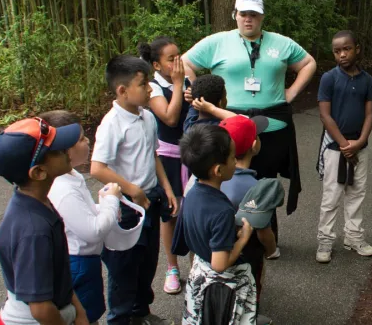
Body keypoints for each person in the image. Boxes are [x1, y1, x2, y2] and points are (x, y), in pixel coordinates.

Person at [181, 0, 317, 225]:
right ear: (235, 15)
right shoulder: (218, 42)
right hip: (230, 124)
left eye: (254, 14)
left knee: (265, 182)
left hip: (273, 126)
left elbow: (308, 63)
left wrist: (291, 93)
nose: (248, 19)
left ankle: (266, 235)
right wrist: (195, 90)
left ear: (262, 17)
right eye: (244, 14)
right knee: (228, 179)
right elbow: (185, 62)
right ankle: (230, 233)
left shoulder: (281, 43)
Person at [90, 55, 176, 325]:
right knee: (123, 268)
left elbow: (154, 155)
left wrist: (167, 187)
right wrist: (132, 190)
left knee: (147, 263)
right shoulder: (112, 124)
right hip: (127, 206)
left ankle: (141, 314)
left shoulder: (148, 117)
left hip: (151, 199)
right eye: (143, 84)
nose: (150, 89)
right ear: (122, 90)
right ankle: (120, 319)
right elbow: (97, 168)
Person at [0, 117, 88, 325]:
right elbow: (41, 309)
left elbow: (57, 274)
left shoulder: (37, 203)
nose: (67, 150)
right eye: (59, 150)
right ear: (39, 172)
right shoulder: (34, 231)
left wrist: (79, 311)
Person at [43, 110, 123, 324]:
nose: (87, 140)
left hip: (85, 259)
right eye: (80, 139)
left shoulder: (71, 175)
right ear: (64, 151)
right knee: (85, 316)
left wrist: (101, 207)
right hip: (78, 263)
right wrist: (110, 202)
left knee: (90, 313)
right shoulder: (63, 189)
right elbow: (92, 232)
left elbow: (81, 213)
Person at [179, 124, 256, 324]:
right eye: (232, 157)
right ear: (218, 170)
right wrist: (244, 237)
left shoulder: (191, 193)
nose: (235, 161)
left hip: (199, 275)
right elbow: (219, 264)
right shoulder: (222, 211)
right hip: (221, 289)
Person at [315, 30, 372, 263]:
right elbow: (325, 115)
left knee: (357, 193)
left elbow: (369, 113)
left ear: (356, 49)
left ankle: (353, 236)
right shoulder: (329, 78)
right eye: (337, 51)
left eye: (347, 49)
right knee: (332, 195)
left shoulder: (367, 80)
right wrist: (344, 145)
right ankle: (325, 241)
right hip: (334, 147)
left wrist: (359, 142)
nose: (342, 54)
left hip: (360, 145)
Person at [140, 36, 193, 295]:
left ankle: (198, 264)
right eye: (171, 59)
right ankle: (172, 268)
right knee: (170, 213)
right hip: (168, 157)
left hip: (192, 155)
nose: (177, 62)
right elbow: (170, 119)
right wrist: (178, 85)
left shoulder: (185, 81)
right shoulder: (153, 88)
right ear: (157, 65)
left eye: (178, 55)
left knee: (193, 208)